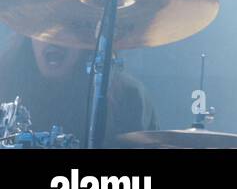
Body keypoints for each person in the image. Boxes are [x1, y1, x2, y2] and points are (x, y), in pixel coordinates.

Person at [0, 35, 158, 143]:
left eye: (68, 26)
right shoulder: (5, 83)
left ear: (89, 38)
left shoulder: (128, 95)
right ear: (28, 34)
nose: (56, 38)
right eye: (46, 25)